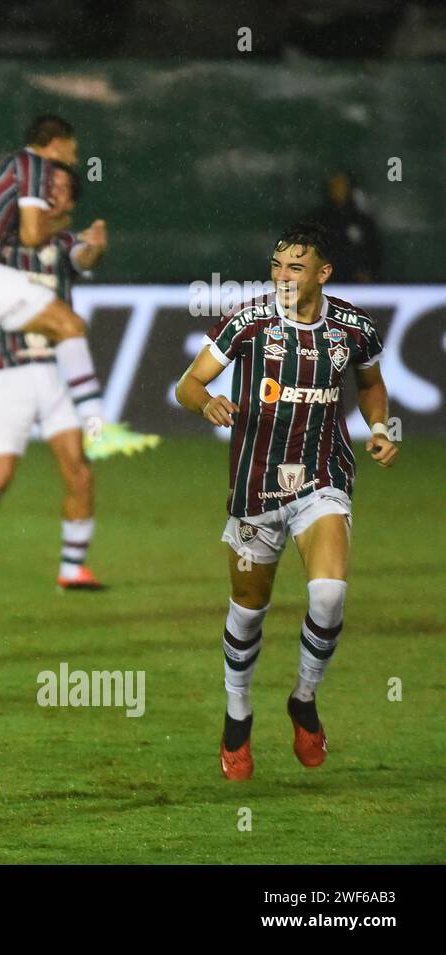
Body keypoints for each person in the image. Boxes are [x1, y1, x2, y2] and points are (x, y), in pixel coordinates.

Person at [174, 222, 399, 780]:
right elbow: (188, 384)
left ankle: (303, 698)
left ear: (323, 274)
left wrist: (381, 427)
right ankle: (237, 712)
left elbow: (370, 384)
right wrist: (205, 404)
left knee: (327, 595)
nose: (281, 276)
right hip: (255, 489)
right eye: (276, 266)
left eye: (295, 268)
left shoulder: (352, 327)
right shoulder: (248, 322)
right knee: (247, 612)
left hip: (322, 481)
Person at [0, 114, 157, 460]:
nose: (76, 159)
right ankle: (97, 429)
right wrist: (66, 222)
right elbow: (33, 235)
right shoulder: (34, 164)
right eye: (74, 149)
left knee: (66, 327)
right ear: (56, 143)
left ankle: (94, 428)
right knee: (69, 324)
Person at [0, 162, 109, 591]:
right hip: (7, 372)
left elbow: (84, 256)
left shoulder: (63, 244)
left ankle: (72, 569)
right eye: (50, 186)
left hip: (54, 374)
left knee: (78, 471)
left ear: (70, 202)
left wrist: (95, 246)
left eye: (63, 189)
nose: (53, 193)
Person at [308, 171, 383, 283]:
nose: (338, 189)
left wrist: (365, 272)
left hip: (356, 284)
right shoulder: (317, 219)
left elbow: (373, 251)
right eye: (335, 186)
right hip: (326, 283)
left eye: (342, 185)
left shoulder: (362, 220)